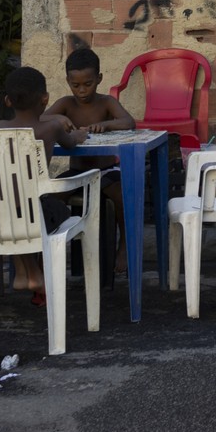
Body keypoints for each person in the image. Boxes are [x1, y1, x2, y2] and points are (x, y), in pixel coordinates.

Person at [0, 66, 91, 301]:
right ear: (45, 99)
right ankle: (31, 274)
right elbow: (70, 143)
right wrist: (80, 135)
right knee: (46, 207)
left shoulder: (0, 127)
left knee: (15, 208)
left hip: (0, 212)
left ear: (8, 101)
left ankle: (25, 272)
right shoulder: (51, 128)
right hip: (38, 212)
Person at [43, 47, 133, 270]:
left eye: (88, 84)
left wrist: (105, 125)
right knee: (47, 198)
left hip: (106, 172)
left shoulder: (106, 103)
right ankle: (47, 252)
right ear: (68, 81)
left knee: (123, 196)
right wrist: (57, 118)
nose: (82, 90)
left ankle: (125, 246)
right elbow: (41, 118)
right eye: (76, 85)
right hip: (77, 173)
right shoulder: (66, 104)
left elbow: (129, 123)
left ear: (99, 79)